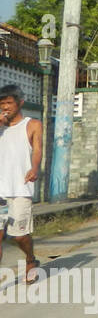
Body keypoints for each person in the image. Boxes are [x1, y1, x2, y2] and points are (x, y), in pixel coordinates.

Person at [0, 85, 42, 283]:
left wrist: (34, 168)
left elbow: (37, 149)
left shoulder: (32, 124)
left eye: (9, 102)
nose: (5, 107)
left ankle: (30, 258)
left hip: (20, 188)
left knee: (19, 236)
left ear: (20, 103)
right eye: (2, 104)